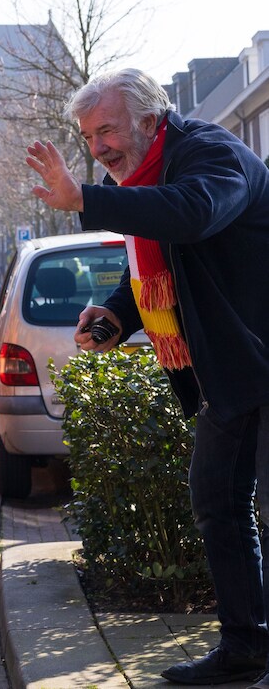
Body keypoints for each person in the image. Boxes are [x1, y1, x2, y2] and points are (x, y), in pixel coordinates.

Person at [26, 67, 269, 687]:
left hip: (258, 361)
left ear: (149, 118)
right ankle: (247, 647)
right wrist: (116, 310)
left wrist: (84, 199)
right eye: (88, 137)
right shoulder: (146, 176)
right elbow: (170, 257)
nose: (99, 147)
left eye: (107, 129)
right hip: (231, 373)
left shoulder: (212, 155)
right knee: (217, 503)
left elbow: (191, 216)